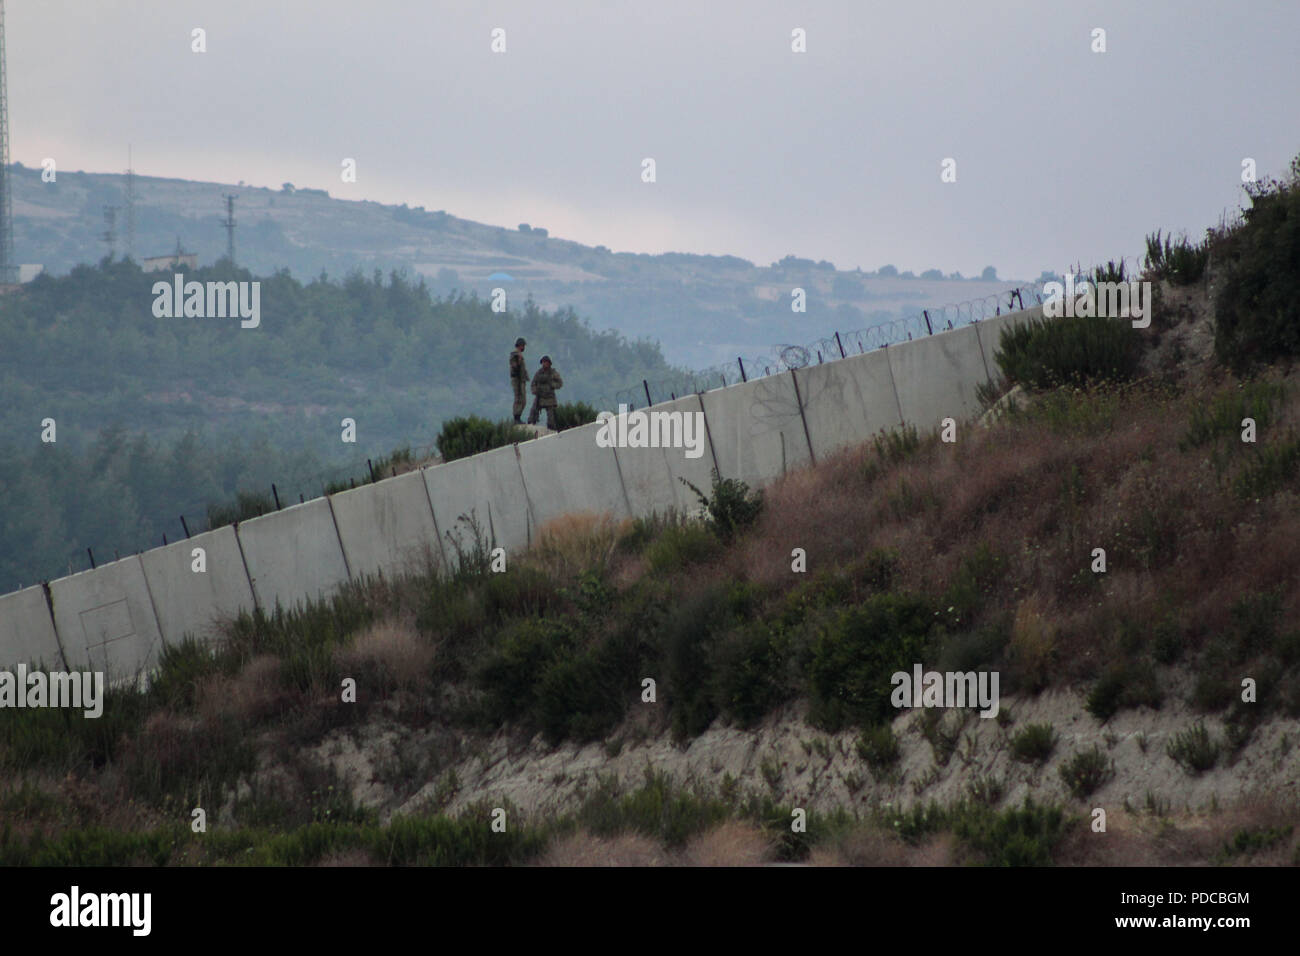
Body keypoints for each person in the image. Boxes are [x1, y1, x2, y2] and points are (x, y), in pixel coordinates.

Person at [527, 355, 563, 430]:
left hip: (550, 398)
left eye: (545, 362)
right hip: (540, 397)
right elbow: (533, 383)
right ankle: (531, 425)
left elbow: (560, 383)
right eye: (543, 362)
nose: (544, 364)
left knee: (551, 418)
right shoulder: (539, 373)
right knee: (533, 412)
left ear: (549, 363)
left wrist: (552, 385)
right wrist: (534, 390)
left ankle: (552, 428)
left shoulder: (553, 373)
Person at [509, 337, 528, 423]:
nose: (524, 347)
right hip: (517, 380)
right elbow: (514, 367)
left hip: (521, 380)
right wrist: (519, 361)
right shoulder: (515, 355)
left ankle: (518, 416)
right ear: (520, 345)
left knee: (523, 399)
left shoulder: (519, 354)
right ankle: (516, 417)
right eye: (523, 345)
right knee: (518, 398)